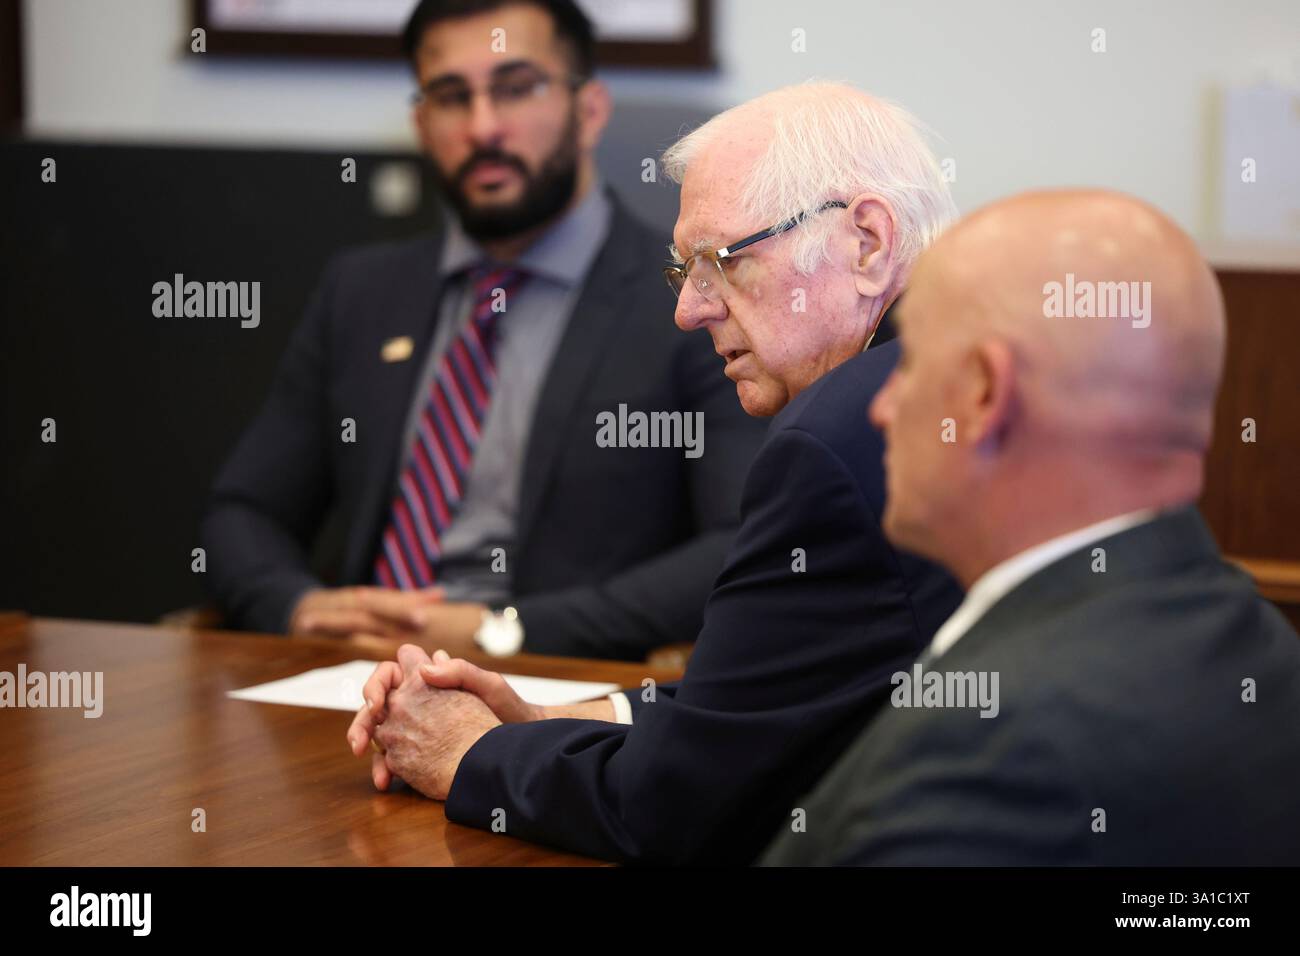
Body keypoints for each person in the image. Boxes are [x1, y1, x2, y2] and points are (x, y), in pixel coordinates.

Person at [348, 82, 964, 865]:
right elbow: (779, 703)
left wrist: (469, 754)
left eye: (718, 262)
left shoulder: (840, 440)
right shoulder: (948, 382)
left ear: (867, 244)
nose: (689, 310)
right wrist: (550, 722)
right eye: (684, 272)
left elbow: (674, 811)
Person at [200, 0, 765, 660]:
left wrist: (501, 631)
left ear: (589, 112)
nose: (483, 127)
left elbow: (739, 543)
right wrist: (297, 606)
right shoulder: (361, 293)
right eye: (450, 97)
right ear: (421, 122)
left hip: (557, 696)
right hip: (356, 678)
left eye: (516, 88)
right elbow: (242, 512)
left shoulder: (689, 301)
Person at [762, 189, 1300, 866]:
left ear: (987, 395)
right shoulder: (1263, 648)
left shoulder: (995, 749)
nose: (882, 408)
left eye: (912, 364)